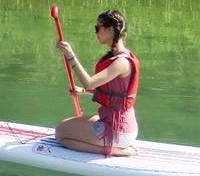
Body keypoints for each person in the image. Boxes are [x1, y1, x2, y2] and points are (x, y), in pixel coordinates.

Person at [54, 9, 140, 156]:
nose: (96, 32)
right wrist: (83, 91)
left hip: (117, 131)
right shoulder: (120, 56)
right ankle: (120, 145)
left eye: (98, 28)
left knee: (60, 134)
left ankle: (116, 151)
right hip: (123, 127)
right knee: (69, 123)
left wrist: (70, 55)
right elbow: (114, 92)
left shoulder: (122, 62)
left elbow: (89, 83)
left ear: (110, 29)